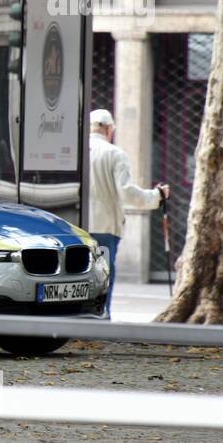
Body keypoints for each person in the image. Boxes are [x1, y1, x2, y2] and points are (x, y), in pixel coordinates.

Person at [88, 108, 168, 317]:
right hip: (105, 226)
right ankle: (102, 315)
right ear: (108, 129)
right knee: (104, 274)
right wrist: (156, 196)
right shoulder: (115, 154)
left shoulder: (75, 151)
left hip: (77, 225)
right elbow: (126, 193)